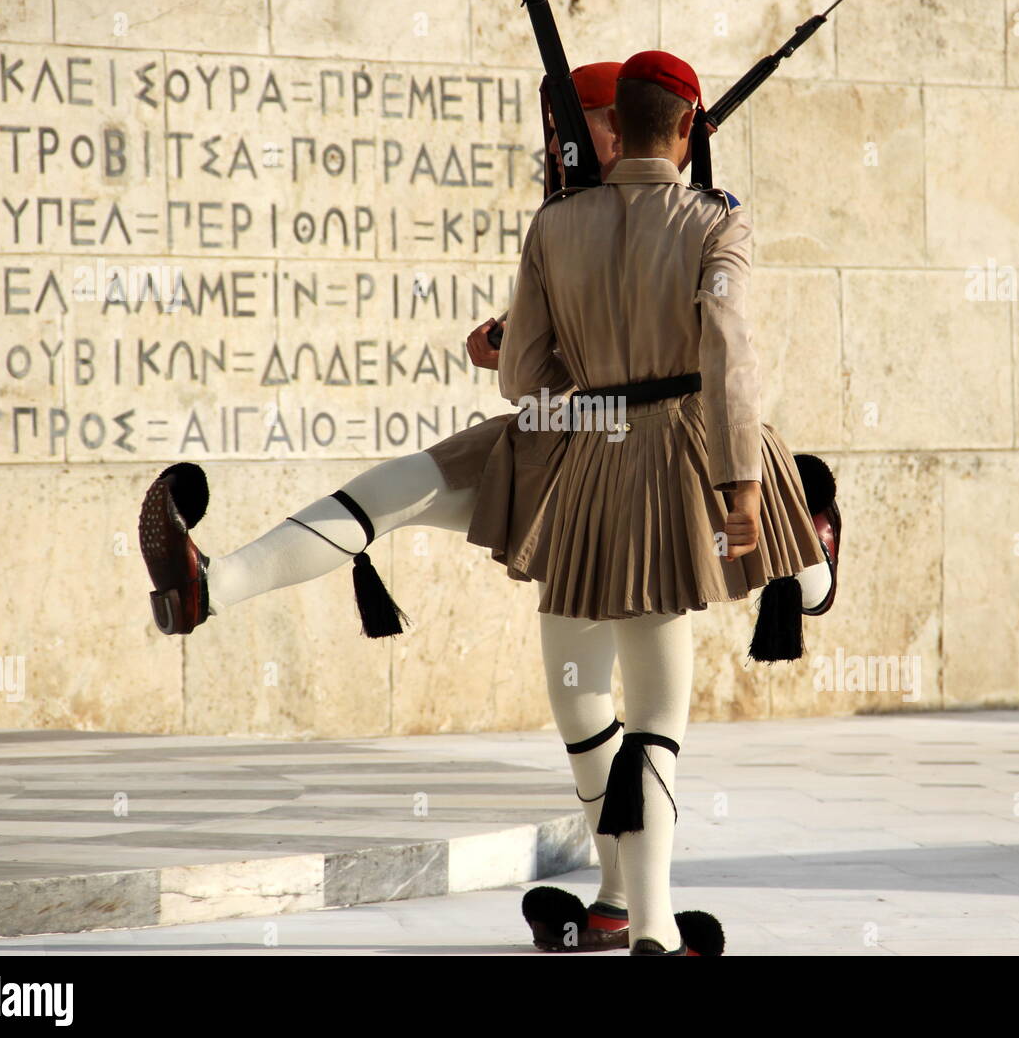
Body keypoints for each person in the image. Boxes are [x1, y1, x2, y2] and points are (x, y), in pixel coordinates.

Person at [139, 62, 641, 952]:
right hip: (547, 443)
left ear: (623, 122)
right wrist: (512, 340)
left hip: (637, 464)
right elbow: (544, 353)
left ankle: (630, 897)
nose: (562, 138)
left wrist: (514, 347)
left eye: (581, 119)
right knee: (394, 494)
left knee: (619, 693)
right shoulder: (572, 217)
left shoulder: (669, 215)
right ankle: (210, 585)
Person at [497, 51, 828, 955]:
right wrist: (741, 484)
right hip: (673, 477)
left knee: (585, 702)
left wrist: (593, 400)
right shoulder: (716, 224)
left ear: (616, 124)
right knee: (658, 720)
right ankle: (650, 925)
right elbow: (726, 350)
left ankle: (623, 906)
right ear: (689, 129)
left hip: (586, 479)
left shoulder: (553, 225)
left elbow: (524, 380)